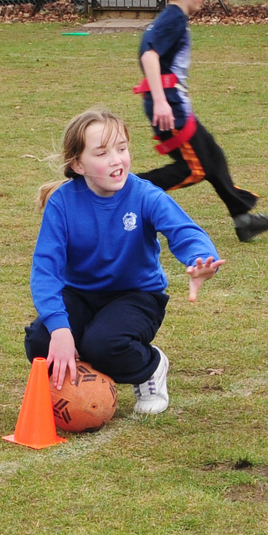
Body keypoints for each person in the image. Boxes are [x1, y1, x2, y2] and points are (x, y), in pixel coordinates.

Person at [24, 107, 224, 415]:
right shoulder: (62, 203)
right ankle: (81, 389)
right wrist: (61, 330)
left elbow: (184, 231)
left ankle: (150, 365)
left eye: (122, 148)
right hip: (80, 294)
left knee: (103, 345)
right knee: (41, 341)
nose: (117, 160)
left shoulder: (145, 195)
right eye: (102, 153)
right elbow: (45, 271)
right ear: (78, 164)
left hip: (137, 296)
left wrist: (200, 260)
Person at [134, 0, 268, 244]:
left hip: (175, 106)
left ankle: (243, 219)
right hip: (169, 110)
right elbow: (149, 54)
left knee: (212, 155)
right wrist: (162, 101)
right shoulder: (174, 18)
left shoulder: (172, 17)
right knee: (194, 169)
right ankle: (119, 191)